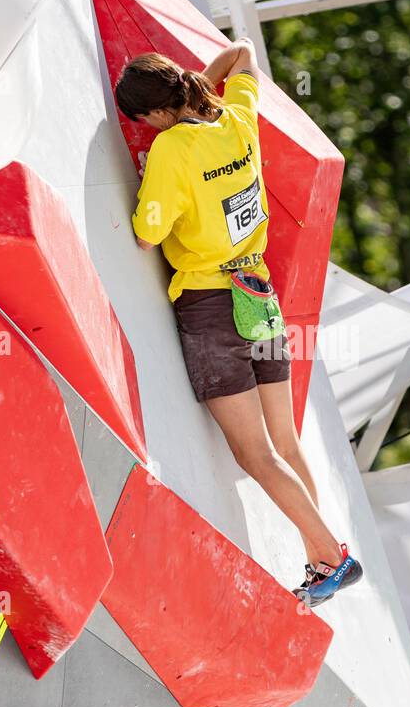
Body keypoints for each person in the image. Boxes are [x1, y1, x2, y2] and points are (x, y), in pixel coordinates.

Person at [114, 39, 362, 607]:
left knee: (255, 454)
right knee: (285, 442)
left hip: (210, 303)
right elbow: (244, 51)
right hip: (259, 292)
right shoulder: (234, 115)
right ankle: (321, 556)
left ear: (152, 114)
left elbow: (147, 232)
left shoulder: (174, 148)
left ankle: (334, 559)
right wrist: (197, 84)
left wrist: (157, 165)